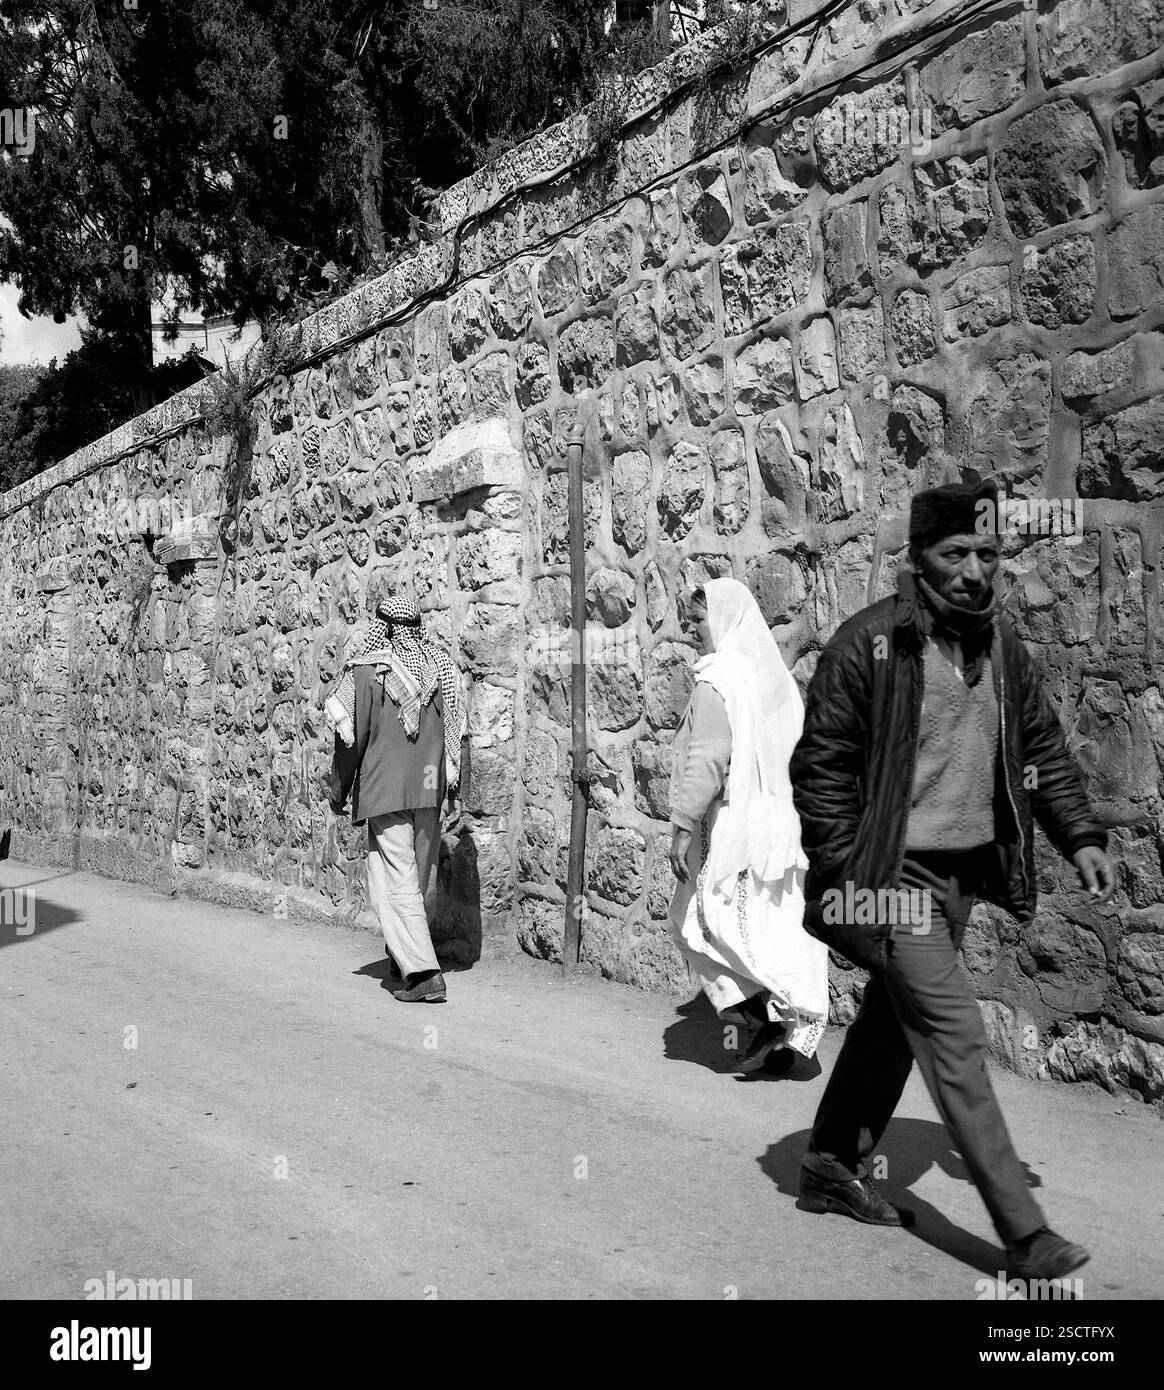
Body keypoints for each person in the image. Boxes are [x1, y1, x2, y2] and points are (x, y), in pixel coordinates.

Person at [789, 479, 1115, 1281]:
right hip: (887, 876)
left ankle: (830, 1161)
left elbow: (1041, 749)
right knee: (956, 1035)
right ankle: (1025, 1235)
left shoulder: (1003, 650)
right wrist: (845, 874)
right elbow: (821, 769)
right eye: (954, 553)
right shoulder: (868, 645)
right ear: (919, 559)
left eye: (988, 554)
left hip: (958, 876)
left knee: (894, 1025)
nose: (974, 570)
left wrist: (1079, 835)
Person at [668, 577, 829, 1075]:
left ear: (725, 620)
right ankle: (784, 1039)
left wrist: (683, 823)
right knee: (771, 928)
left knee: (693, 923)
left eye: (698, 622)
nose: (691, 631)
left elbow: (708, 758)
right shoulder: (773, 682)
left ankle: (753, 1017)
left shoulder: (717, 681)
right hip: (781, 828)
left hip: (735, 827)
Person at [326, 591, 469, 1003]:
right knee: (418, 879)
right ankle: (401, 953)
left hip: (385, 790)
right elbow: (458, 732)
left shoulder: (366, 672)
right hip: (428, 789)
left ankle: (424, 973)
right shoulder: (440, 670)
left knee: (399, 880)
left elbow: (349, 739)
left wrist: (339, 787)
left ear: (381, 628)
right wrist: (456, 789)